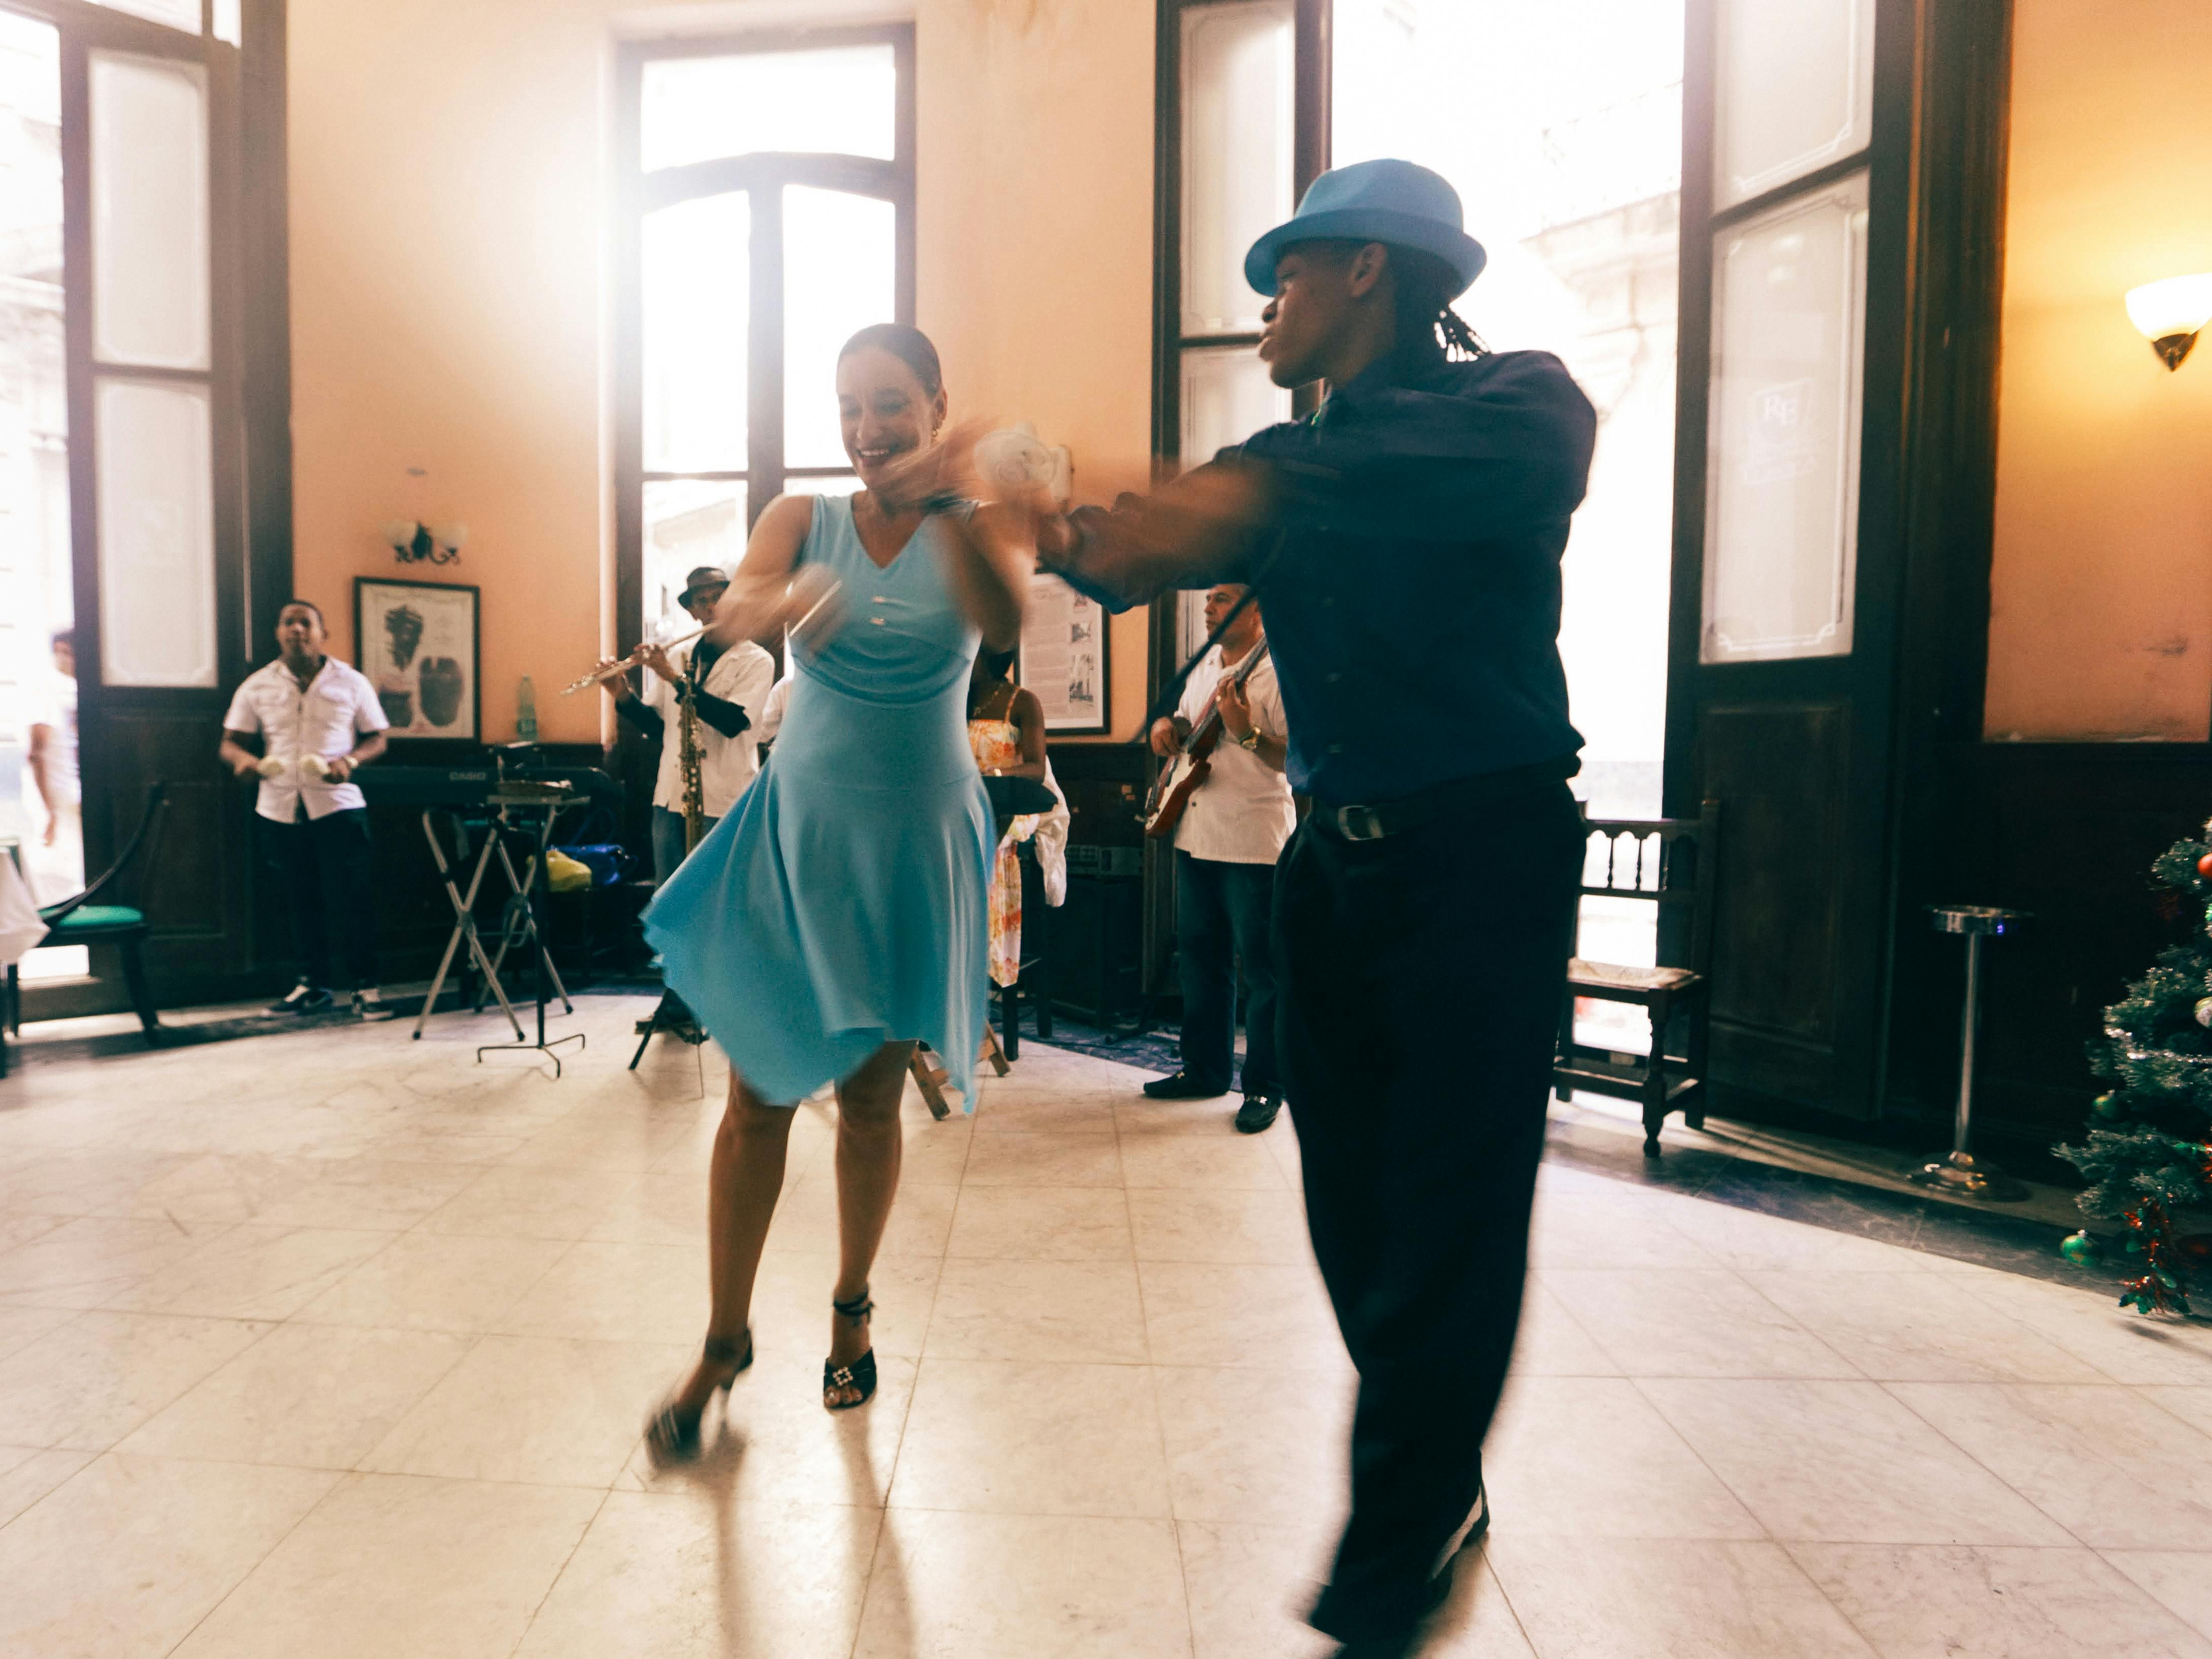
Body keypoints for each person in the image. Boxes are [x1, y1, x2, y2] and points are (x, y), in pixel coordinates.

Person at [1029, 160, 1597, 1657]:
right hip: (1329, 870)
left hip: (1481, 850)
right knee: (1353, 1209)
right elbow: (1128, 554)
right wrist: (1032, 514)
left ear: (1368, 268)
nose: (1264, 305)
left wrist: (1249, 491)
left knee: (1451, 1205)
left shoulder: (1518, 405)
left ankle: (1393, 1552)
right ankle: (1437, 1459)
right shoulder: (1285, 458)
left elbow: (1408, 479)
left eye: (1284, 274)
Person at [640, 323, 1031, 1445]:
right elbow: (743, 602)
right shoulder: (800, 516)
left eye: (891, 402)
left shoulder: (975, 524)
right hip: (799, 836)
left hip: (912, 843)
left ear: (936, 405)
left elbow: (1006, 625)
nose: (868, 427)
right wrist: (769, 603)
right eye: (851, 405)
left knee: (869, 1100)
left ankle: (851, 1308)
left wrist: (956, 498)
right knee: (757, 1092)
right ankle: (724, 1338)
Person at [1141, 583, 1294, 1132]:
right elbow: (1186, 728)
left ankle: (1265, 1087)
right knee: (1201, 960)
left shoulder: (1280, 672)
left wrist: (1247, 733)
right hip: (1196, 831)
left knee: (1264, 973)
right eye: (1207, 600)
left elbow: (1296, 760)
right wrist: (1166, 728)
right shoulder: (1204, 667)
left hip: (1254, 840)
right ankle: (1204, 1071)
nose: (1208, 608)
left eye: (1223, 599)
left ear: (1257, 608)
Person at [219, 600, 395, 1019]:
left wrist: (349, 762)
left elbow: (378, 738)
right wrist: (244, 762)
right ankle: (313, 987)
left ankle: (365, 988)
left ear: (322, 633)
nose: (296, 629)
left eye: (305, 623)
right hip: (279, 808)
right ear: (278, 633)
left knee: (353, 900)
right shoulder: (257, 686)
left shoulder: (351, 682)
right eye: (288, 623)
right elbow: (230, 743)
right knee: (300, 900)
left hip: (338, 806)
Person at [597, 565, 777, 884]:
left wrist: (673, 679)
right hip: (672, 796)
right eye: (701, 601)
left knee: (715, 890)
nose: (711, 608)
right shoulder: (677, 655)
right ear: (692, 612)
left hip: (722, 798)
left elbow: (733, 722)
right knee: (668, 889)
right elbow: (658, 728)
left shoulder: (757, 660)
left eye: (718, 598)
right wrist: (621, 694)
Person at [965, 646, 1069, 993]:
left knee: (984, 831)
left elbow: (1036, 769)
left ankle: (981, 955)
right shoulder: (953, 699)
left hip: (1009, 802)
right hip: (961, 803)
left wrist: (991, 776)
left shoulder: (1022, 702)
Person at [24, 629, 80, 902]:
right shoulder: (47, 689)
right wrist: (48, 810)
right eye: (61, 652)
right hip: (56, 793)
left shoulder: (74, 689)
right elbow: (36, 753)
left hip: (71, 791)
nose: (65, 659)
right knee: (54, 874)